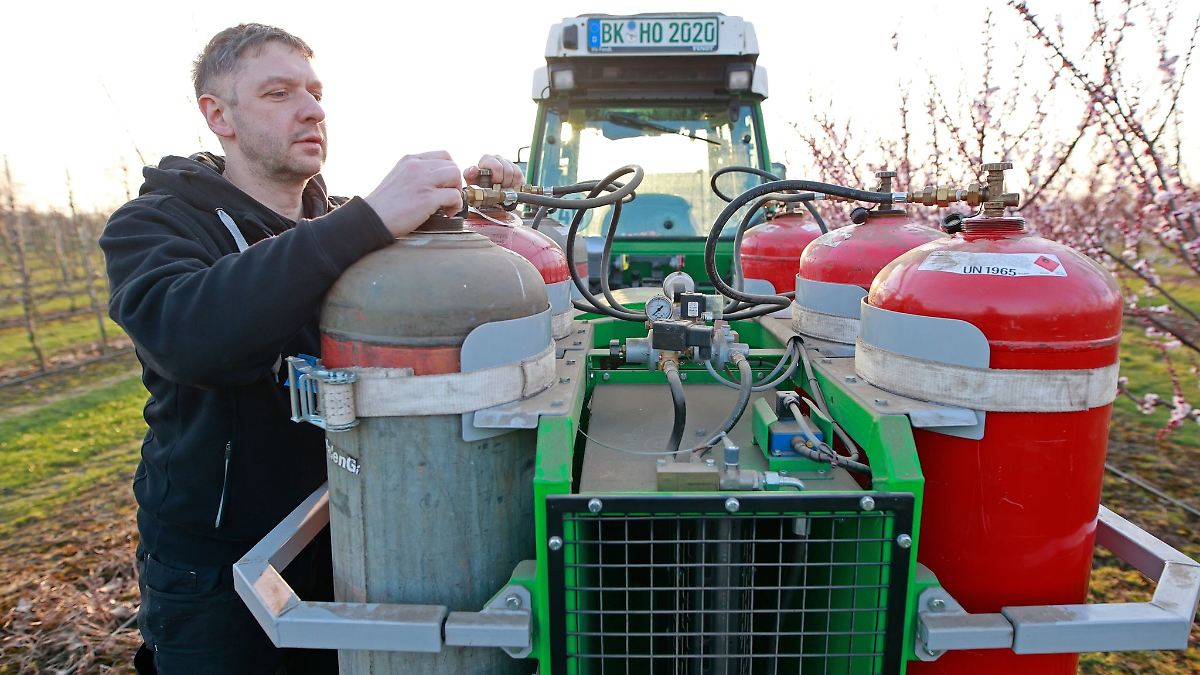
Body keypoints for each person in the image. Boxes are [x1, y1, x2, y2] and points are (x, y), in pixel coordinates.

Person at [99, 23, 523, 674]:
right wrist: (369, 220)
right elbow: (191, 337)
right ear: (219, 116)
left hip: (348, 531)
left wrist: (465, 216)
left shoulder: (345, 224)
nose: (313, 109)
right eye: (278, 92)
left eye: (316, 91)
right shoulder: (154, 224)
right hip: (218, 572)